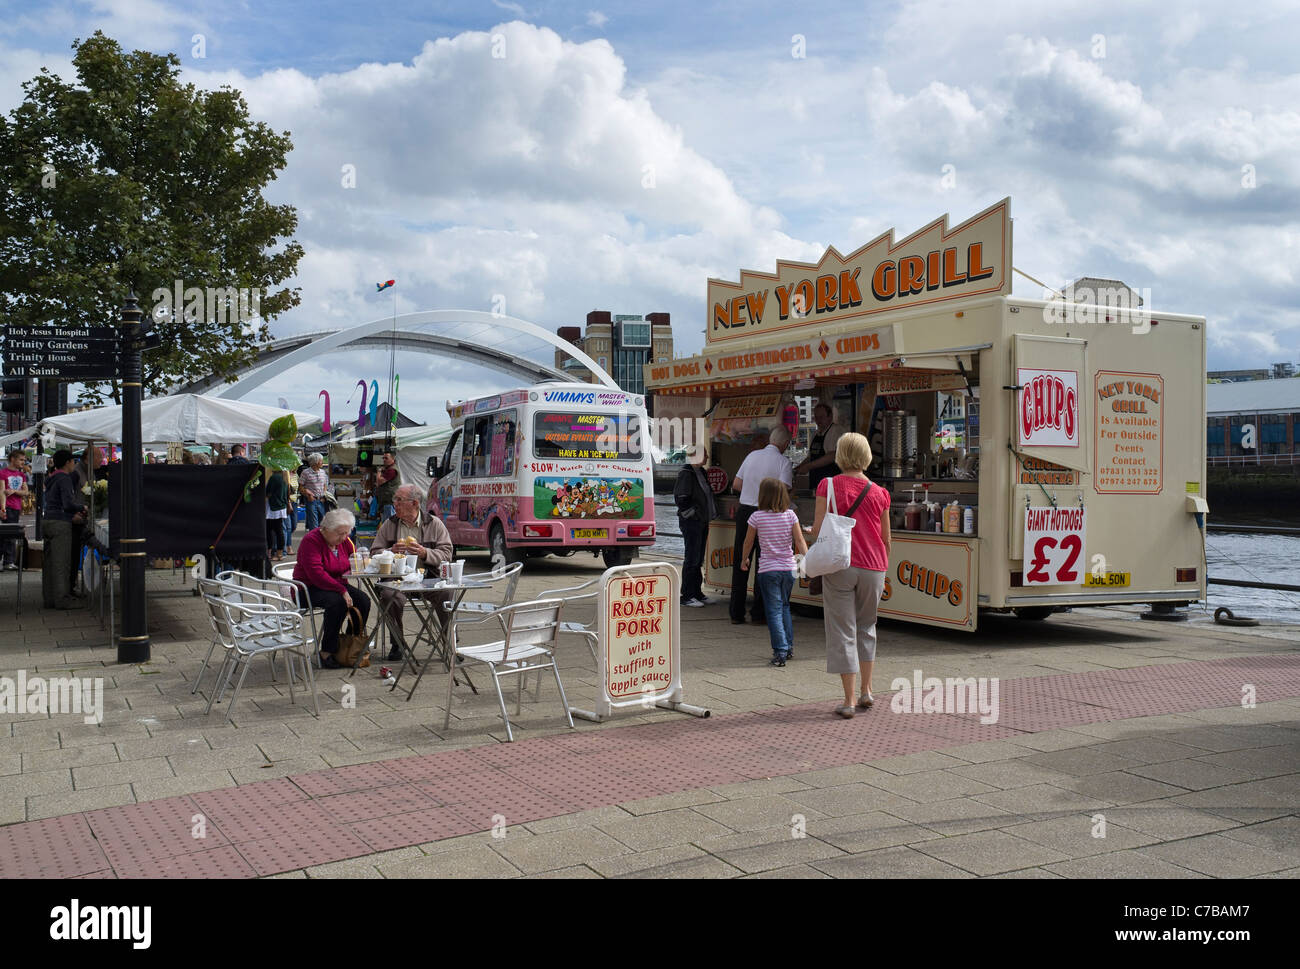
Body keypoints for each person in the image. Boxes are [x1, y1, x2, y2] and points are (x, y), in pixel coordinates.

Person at [810, 432, 891, 719]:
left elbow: (819, 529)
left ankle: (849, 700)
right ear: (867, 455)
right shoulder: (880, 492)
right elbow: (886, 538)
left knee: (843, 630)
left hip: (841, 566)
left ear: (841, 455)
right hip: (874, 566)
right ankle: (868, 691)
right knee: (868, 627)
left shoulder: (827, 485)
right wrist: (883, 566)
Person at [369, 483, 454, 661]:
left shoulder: (434, 523)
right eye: (395, 499)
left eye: (399, 500)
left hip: (428, 578)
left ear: (415, 503)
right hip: (396, 579)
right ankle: (397, 644)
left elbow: (447, 554)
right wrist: (390, 551)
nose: (395, 504)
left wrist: (425, 553)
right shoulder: (389, 524)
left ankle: (450, 643)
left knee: (446, 592)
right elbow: (373, 552)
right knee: (389, 595)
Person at [729, 424, 793, 625]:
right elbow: (783, 491)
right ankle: (758, 613)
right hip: (768, 514)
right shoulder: (783, 462)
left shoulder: (751, 456)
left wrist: (751, 489)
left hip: (746, 512)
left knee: (742, 560)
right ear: (785, 444)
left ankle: (736, 613)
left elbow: (736, 485)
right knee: (763, 564)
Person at [741, 477, 808, 666]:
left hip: (768, 570)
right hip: (788, 569)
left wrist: (744, 558)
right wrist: (808, 561)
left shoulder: (756, 517)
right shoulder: (791, 516)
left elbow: (748, 542)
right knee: (785, 606)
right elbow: (800, 541)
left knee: (774, 611)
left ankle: (780, 651)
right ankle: (789, 647)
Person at [292, 507, 369, 669]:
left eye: (347, 533)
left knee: (363, 601)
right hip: (307, 588)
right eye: (340, 533)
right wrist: (342, 590)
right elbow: (316, 574)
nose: (344, 537)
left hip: (336, 584)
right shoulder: (311, 541)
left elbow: (352, 559)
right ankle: (327, 650)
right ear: (326, 529)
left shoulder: (344, 541)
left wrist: (360, 560)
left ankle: (349, 644)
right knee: (337, 603)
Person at [42, 449, 87, 610]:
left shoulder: (51, 478)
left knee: (48, 564)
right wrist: (82, 507)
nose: (74, 464)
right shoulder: (65, 478)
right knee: (61, 563)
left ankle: (49, 599)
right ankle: (62, 600)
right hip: (60, 523)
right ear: (68, 462)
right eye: (73, 461)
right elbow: (68, 504)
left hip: (47, 520)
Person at [673, 445, 715, 607]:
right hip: (692, 522)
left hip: (701, 520)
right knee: (692, 558)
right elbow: (682, 498)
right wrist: (695, 513)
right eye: (705, 454)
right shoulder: (686, 473)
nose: (707, 457)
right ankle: (687, 595)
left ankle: (696, 592)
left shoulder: (700, 472)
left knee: (697, 558)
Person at [795, 402, 843, 492]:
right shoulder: (815, 433)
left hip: (830, 481)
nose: (818, 420)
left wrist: (808, 467)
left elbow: (831, 456)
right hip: (815, 480)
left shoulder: (835, 431)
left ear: (830, 417)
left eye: (821, 417)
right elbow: (811, 456)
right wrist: (799, 467)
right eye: (816, 417)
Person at [1, 450, 30, 570]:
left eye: (24, 460)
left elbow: (26, 491)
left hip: (16, 507)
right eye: (21, 459)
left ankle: (9, 561)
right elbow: (1, 491)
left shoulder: (21, 475)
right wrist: (2, 508)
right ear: (13, 459)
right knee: (5, 535)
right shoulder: (3, 473)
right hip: (6, 506)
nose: (23, 462)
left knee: (11, 535)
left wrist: (14, 491)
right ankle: (8, 561)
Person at [298, 453, 331, 532]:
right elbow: (301, 487)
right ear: (316, 462)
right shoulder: (305, 473)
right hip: (311, 501)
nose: (322, 462)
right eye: (321, 461)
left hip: (321, 501)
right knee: (313, 524)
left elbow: (325, 485)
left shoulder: (323, 472)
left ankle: (320, 541)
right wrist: (307, 495)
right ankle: (314, 542)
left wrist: (324, 495)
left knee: (322, 523)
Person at [266, 468, 289, 561]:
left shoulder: (274, 477)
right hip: (281, 506)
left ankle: (270, 552)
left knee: (270, 531)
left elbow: (268, 493)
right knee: (279, 531)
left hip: (273, 507)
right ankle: (279, 553)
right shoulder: (284, 477)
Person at [375, 450, 401, 520]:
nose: (384, 460)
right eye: (383, 458)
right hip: (386, 502)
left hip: (389, 503)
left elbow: (379, 481)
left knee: (389, 525)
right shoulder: (388, 469)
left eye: (386, 458)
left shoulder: (392, 470)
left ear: (392, 459)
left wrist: (379, 471)